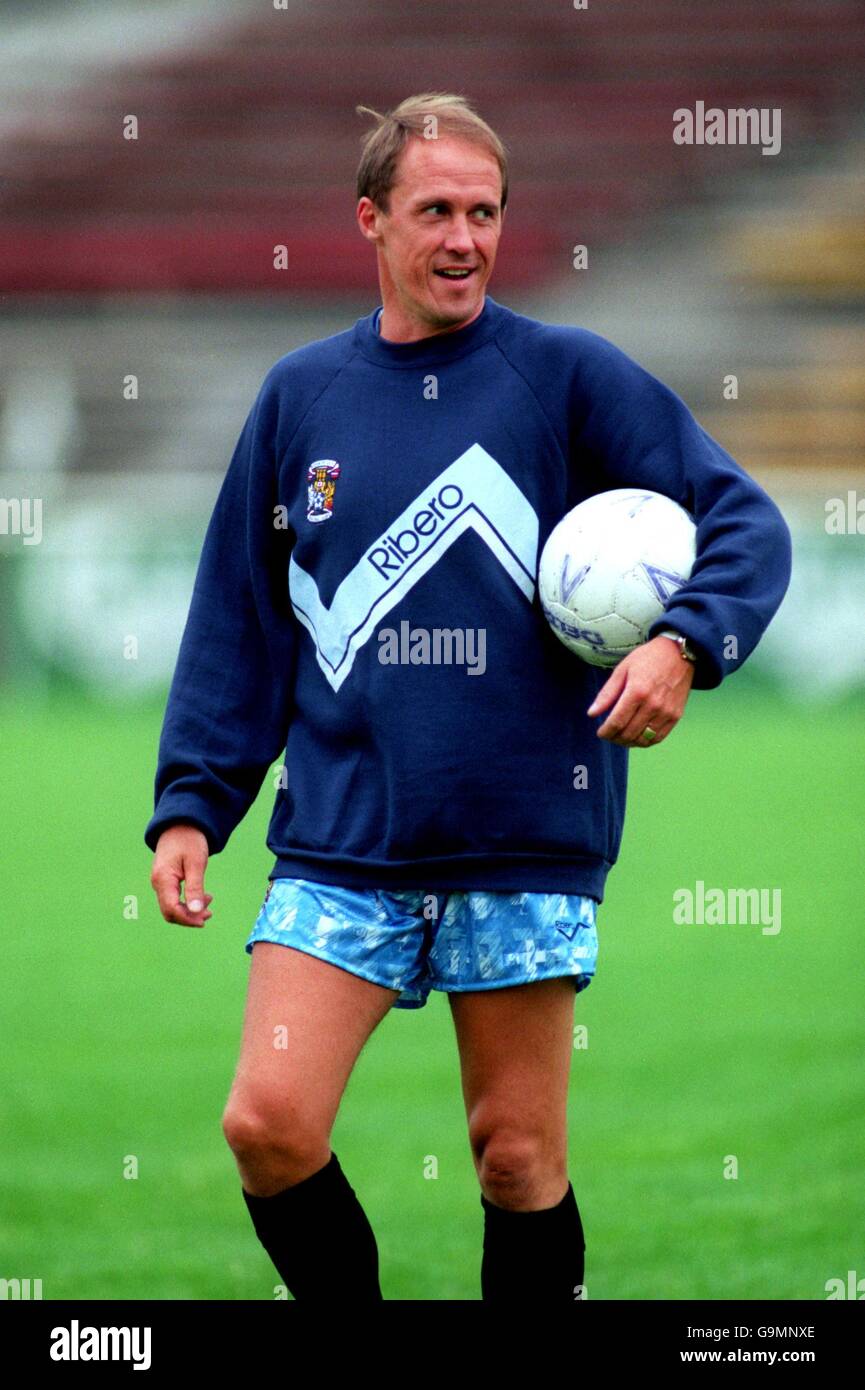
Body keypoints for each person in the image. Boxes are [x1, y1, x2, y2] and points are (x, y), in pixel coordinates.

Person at [145, 92, 792, 1301]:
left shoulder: (567, 377)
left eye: (484, 213)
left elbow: (743, 523)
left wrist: (683, 646)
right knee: (266, 1123)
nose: (463, 238)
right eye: (434, 210)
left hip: (523, 837)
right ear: (370, 221)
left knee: (515, 1157)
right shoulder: (300, 399)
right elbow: (239, 620)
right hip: (341, 841)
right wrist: (193, 804)